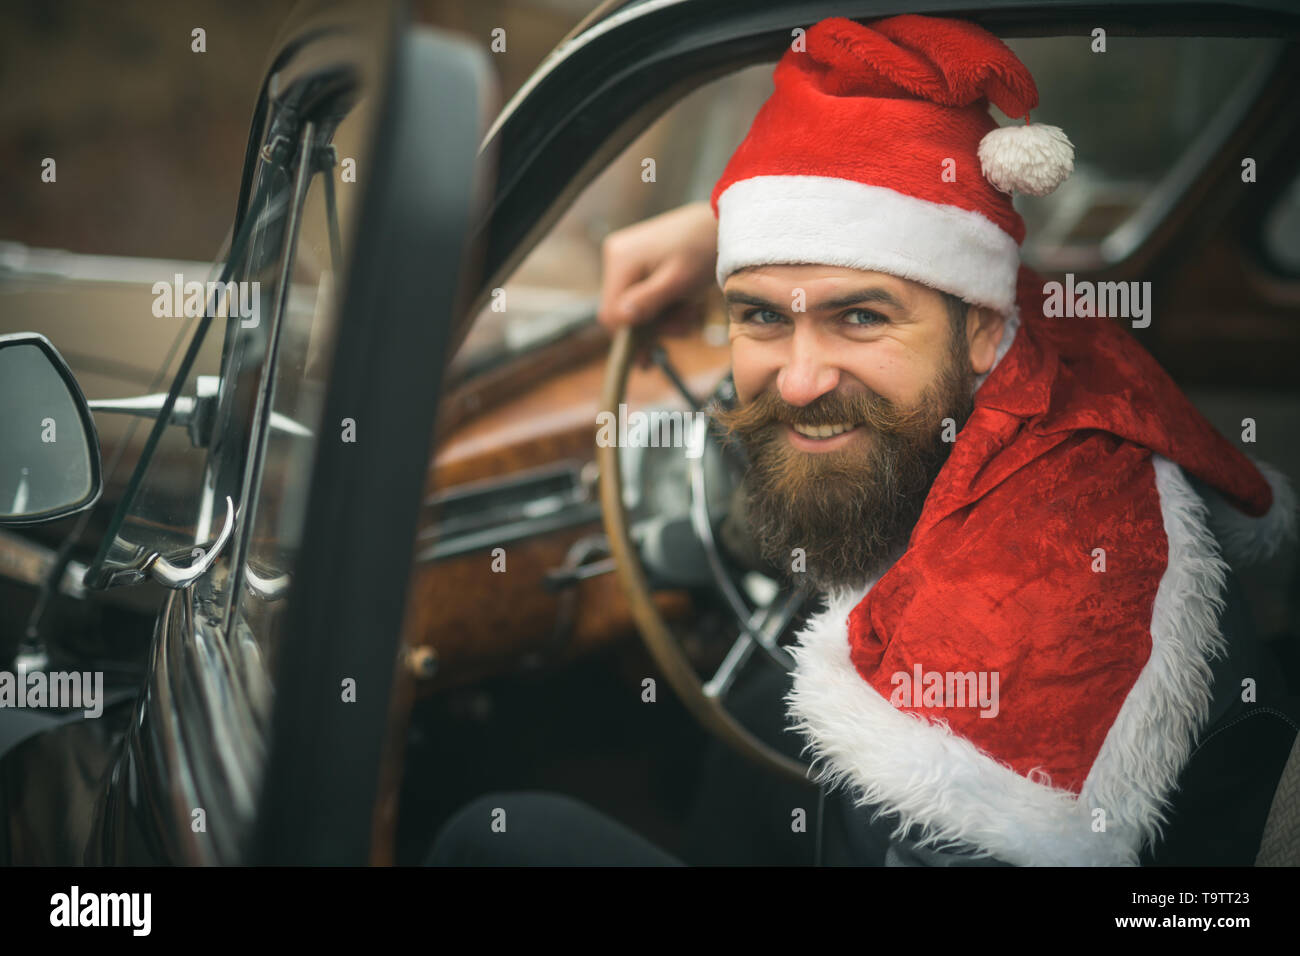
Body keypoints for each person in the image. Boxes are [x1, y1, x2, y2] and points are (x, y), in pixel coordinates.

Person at [430, 12, 1297, 866]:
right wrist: (727, 231)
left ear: (983, 331)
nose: (801, 381)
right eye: (762, 314)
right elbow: (936, 254)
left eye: (860, 316)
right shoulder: (1027, 359)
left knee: (496, 834)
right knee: (770, 704)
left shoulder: (1026, 643)